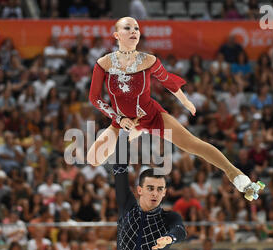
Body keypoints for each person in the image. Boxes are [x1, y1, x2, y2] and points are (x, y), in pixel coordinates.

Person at [87, 17, 261, 201]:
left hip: (152, 115)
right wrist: (120, 120)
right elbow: (94, 98)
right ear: (116, 35)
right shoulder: (104, 63)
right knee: (94, 158)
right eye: (128, 28)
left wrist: (185, 101)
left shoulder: (148, 60)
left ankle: (237, 176)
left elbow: (167, 80)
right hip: (122, 121)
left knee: (193, 144)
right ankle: (136, 132)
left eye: (136, 29)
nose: (133, 32)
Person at [109, 131, 187, 250]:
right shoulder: (127, 207)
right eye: (150, 188)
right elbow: (119, 169)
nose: (155, 194)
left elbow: (180, 231)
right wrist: (123, 132)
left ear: (165, 192)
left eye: (160, 189)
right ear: (139, 190)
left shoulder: (169, 218)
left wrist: (169, 238)